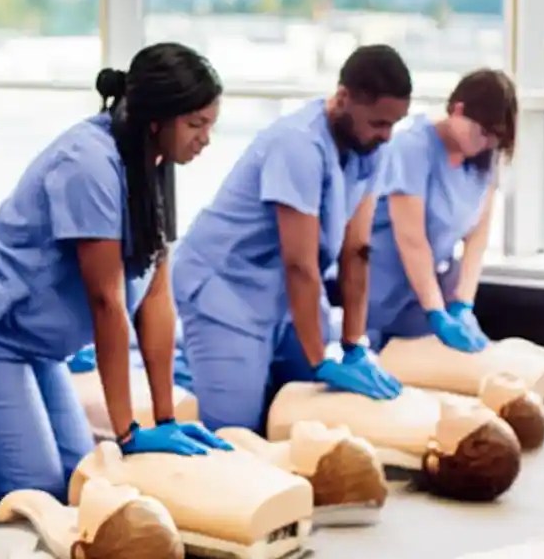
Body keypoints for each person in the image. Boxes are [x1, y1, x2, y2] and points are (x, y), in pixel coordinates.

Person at [0, 43, 233, 511]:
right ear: (156, 120)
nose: (205, 140)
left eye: (211, 125)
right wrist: (127, 433)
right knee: (37, 490)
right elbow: (107, 303)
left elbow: (156, 295)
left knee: (78, 478)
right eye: (196, 125)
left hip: (38, 347)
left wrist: (165, 418)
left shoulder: (155, 164)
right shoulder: (88, 163)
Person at [172, 45, 413, 433]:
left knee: (315, 405)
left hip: (284, 294)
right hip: (226, 289)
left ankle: (219, 361)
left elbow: (357, 250)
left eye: (393, 124)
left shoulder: (371, 148)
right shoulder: (297, 145)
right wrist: (320, 360)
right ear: (343, 97)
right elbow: (299, 263)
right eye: (378, 123)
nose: (386, 135)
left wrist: (354, 345)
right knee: (237, 428)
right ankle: (185, 362)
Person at [366, 69, 517, 353]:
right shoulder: (412, 147)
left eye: (494, 140)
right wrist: (435, 312)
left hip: (423, 295)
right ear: (458, 110)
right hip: (377, 290)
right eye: (483, 133)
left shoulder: (485, 159)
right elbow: (412, 240)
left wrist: (462, 303)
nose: (485, 144)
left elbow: (477, 237)